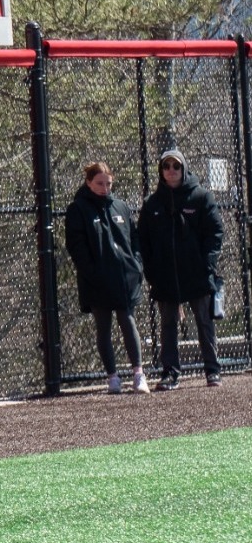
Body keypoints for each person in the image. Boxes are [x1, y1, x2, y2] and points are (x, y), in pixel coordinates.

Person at [137, 148, 223, 390]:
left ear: (183, 168)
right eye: (166, 166)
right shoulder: (152, 204)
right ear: (161, 171)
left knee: (204, 323)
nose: (171, 171)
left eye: (176, 166)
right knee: (168, 325)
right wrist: (152, 271)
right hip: (165, 276)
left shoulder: (201, 197)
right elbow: (143, 241)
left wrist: (207, 262)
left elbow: (215, 233)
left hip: (196, 273)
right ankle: (170, 373)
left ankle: (212, 370)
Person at [65, 163, 148, 394]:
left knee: (128, 321)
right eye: (99, 183)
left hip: (125, 278)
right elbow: (76, 245)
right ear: (89, 182)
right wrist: (92, 271)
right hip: (97, 280)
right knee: (103, 326)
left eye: (108, 184)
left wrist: (137, 264)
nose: (104, 188)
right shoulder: (78, 209)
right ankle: (112, 377)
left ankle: (138, 374)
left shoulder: (120, 206)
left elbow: (134, 239)